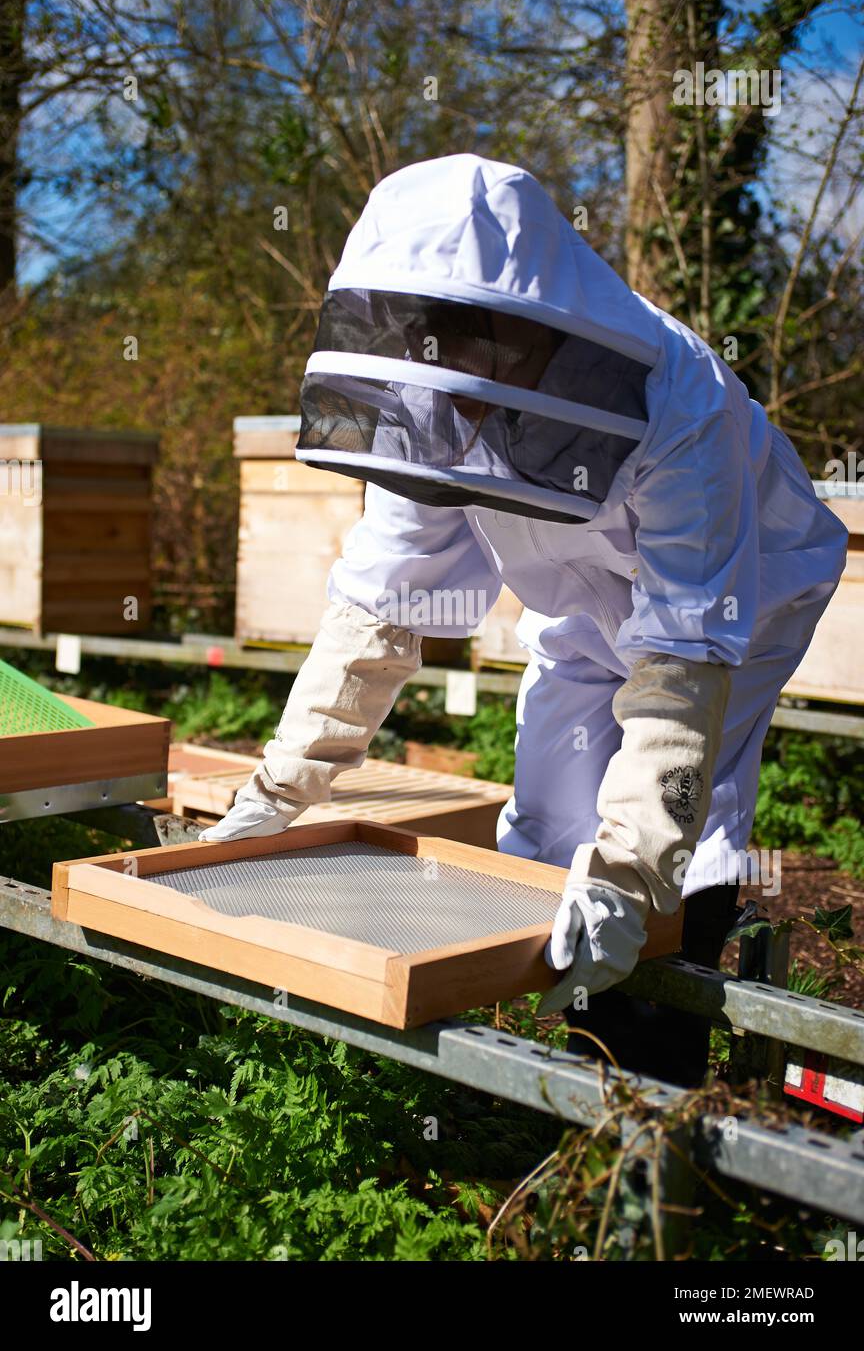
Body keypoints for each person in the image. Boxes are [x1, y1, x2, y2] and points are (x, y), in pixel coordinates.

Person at [201, 154, 848, 1087]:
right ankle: (569, 1052)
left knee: (680, 826)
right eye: (432, 341)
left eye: (472, 342)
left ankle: (653, 1082)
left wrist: (631, 875)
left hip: (741, 590)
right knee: (549, 800)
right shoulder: (429, 404)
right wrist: (281, 788)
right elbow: (380, 608)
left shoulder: (682, 403)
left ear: (528, 319)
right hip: (581, 601)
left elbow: (679, 658)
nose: (452, 372)